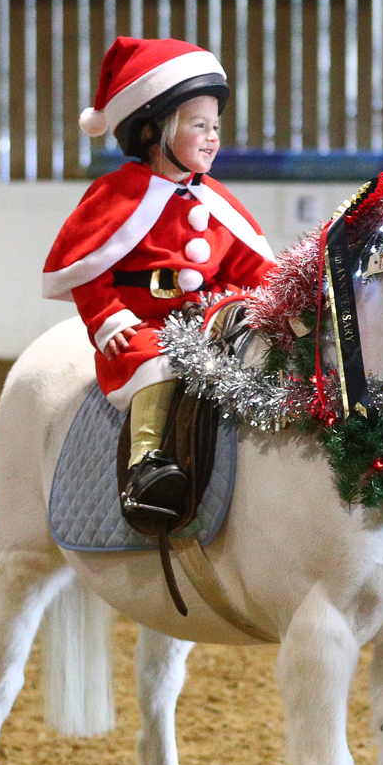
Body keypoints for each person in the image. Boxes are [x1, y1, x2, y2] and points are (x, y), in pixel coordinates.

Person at [43, 37, 276, 526]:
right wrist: (107, 318)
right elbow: (86, 268)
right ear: (153, 130)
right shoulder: (115, 196)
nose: (213, 137)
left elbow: (250, 270)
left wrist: (274, 300)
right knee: (159, 362)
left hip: (208, 323)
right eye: (198, 126)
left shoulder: (216, 201)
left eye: (215, 126)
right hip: (143, 324)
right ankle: (145, 464)